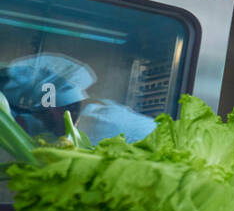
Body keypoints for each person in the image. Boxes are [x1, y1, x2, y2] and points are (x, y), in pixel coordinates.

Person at [0, 53, 157, 145]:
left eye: (45, 113)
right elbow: (27, 124)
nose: (43, 121)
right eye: (38, 114)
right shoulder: (69, 118)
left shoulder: (102, 124)